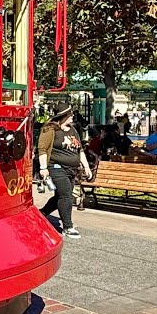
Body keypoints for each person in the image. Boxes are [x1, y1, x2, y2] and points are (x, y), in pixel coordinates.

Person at [37, 101, 91, 238]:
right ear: (63, 116)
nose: (72, 116)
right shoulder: (50, 129)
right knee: (66, 195)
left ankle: (41, 214)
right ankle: (68, 227)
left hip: (71, 169)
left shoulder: (73, 130)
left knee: (60, 197)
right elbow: (42, 149)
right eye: (70, 114)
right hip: (56, 167)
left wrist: (86, 166)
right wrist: (43, 168)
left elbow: (80, 150)